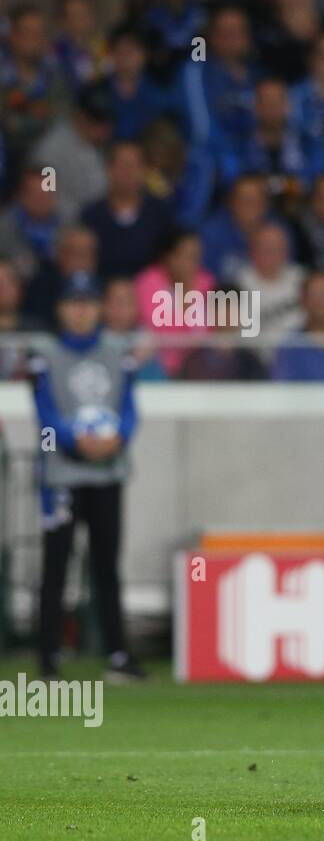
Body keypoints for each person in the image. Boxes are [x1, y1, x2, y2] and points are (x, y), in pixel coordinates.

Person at [29, 273, 144, 681]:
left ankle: (117, 654)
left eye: (87, 303)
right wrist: (76, 441)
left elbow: (130, 408)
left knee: (107, 565)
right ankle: (48, 656)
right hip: (60, 476)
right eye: (72, 303)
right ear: (61, 309)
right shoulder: (45, 355)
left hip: (107, 474)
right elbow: (44, 411)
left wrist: (119, 438)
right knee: (56, 565)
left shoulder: (118, 353)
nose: (80, 312)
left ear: (98, 308)